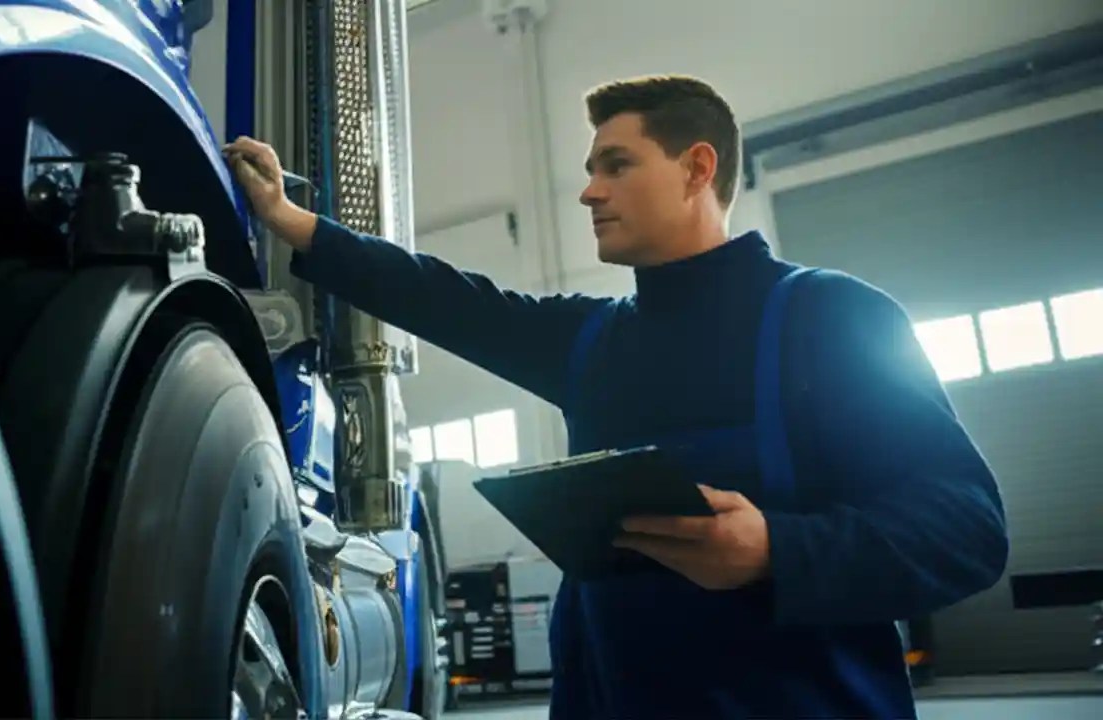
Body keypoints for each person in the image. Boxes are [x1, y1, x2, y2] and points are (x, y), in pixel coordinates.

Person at [224, 74, 1009, 719]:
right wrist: (294, 222)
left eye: (616, 165)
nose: (589, 192)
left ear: (698, 168)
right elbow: (447, 300)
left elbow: (966, 528)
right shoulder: (592, 340)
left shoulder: (835, 319)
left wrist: (777, 548)